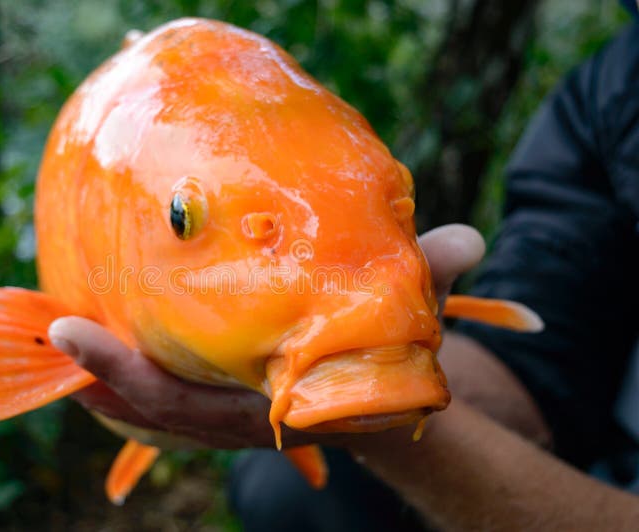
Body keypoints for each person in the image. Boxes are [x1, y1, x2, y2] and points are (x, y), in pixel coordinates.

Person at [46, 6, 639, 530]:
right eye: (183, 219)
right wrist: (377, 362)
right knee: (283, 488)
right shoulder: (606, 92)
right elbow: (543, 369)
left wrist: (396, 441)